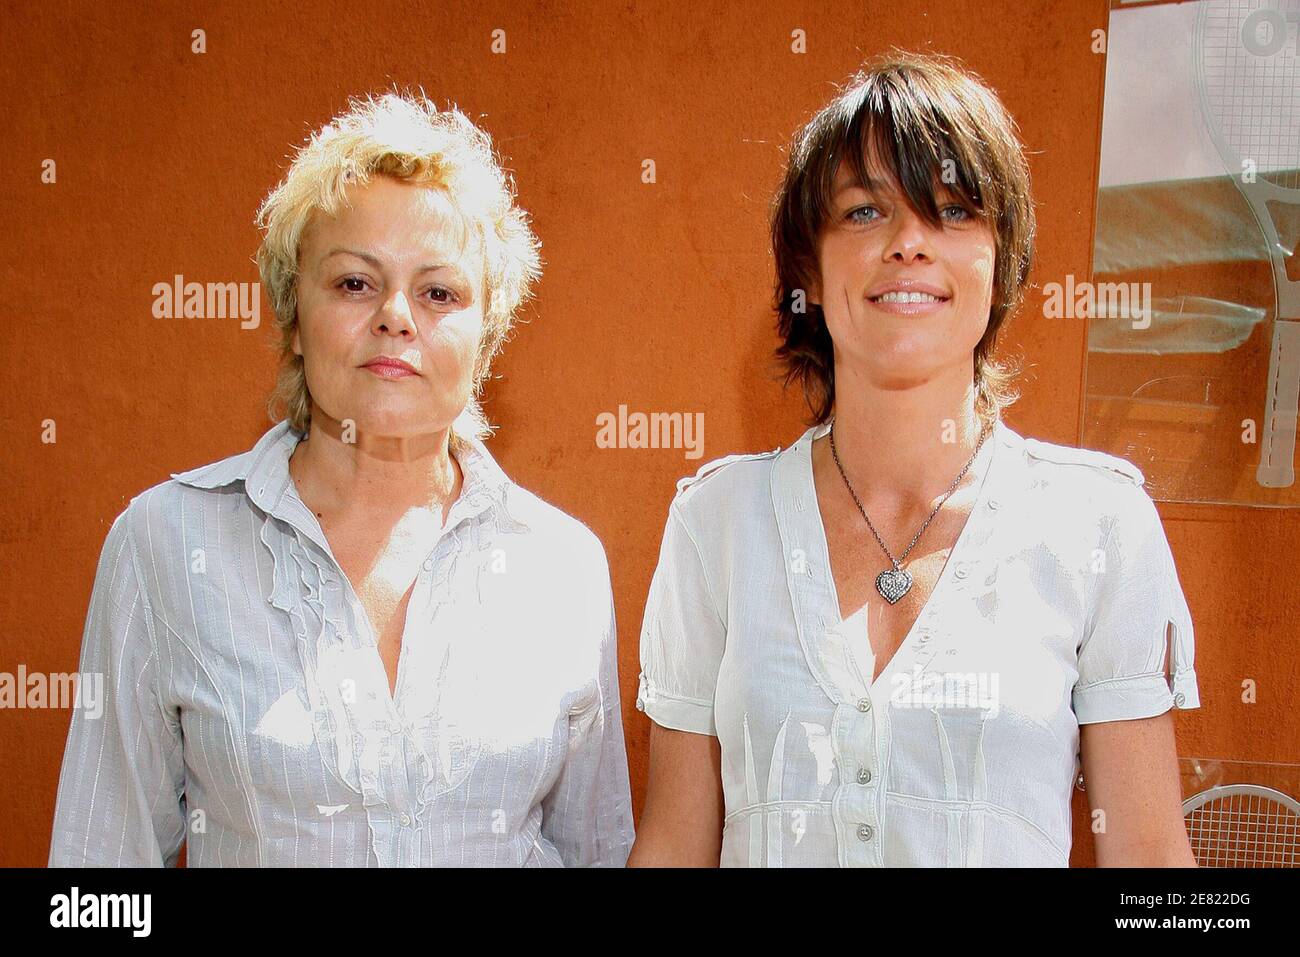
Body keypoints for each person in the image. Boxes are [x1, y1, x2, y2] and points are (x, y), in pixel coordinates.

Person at [629, 52, 1199, 867]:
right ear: (809, 273)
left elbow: (1147, 860)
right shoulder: (715, 524)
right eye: (864, 212)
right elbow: (675, 844)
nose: (909, 244)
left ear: (1001, 261)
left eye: (955, 210)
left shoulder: (1099, 525)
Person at [49, 90, 634, 867]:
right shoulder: (163, 547)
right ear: (294, 315)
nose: (396, 316)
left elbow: (594, 851)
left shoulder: (562, 568)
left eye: (439, 292)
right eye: (356, 282)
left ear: (487, 336)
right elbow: (96, 876)